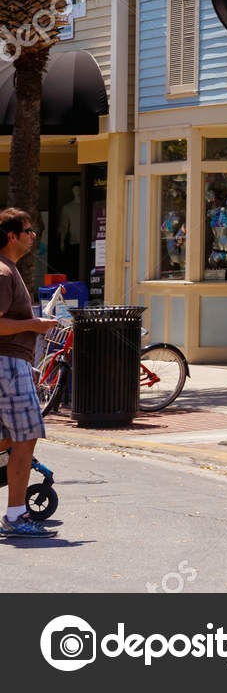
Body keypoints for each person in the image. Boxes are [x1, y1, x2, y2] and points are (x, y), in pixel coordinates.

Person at [0, 208, 60, 537]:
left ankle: (15, 513)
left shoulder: (9, 270)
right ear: (12, 236)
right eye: (28, 231)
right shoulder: (3, 272)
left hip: (10, 363)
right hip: (8, 364)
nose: (33, 236)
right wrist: (34, 324)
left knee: (10, 437)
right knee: (25, 436)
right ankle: (15, 516)